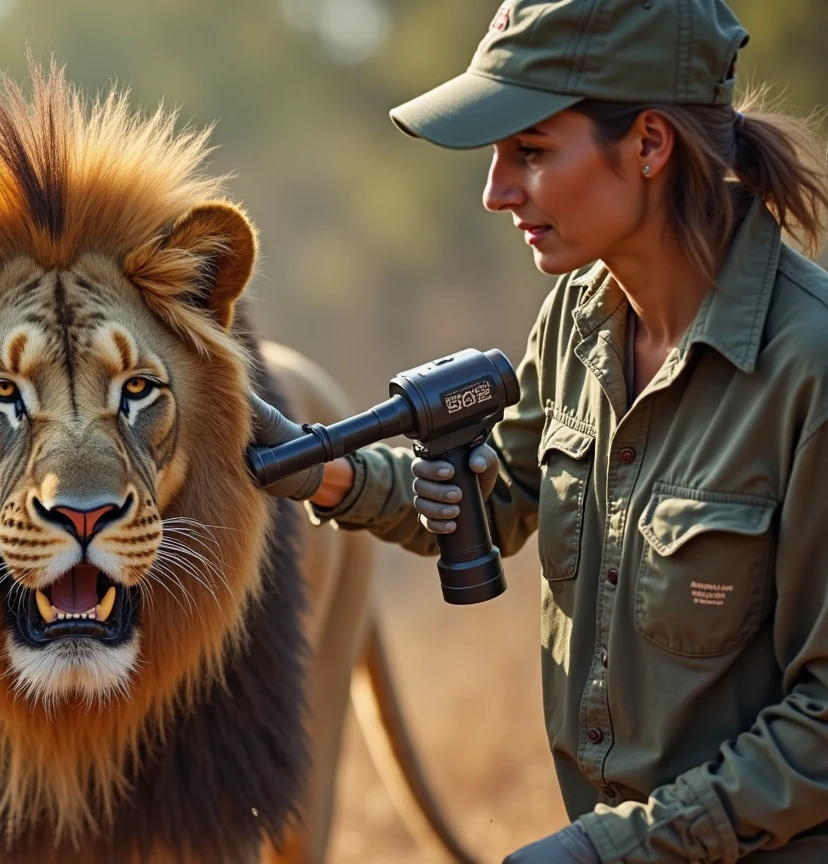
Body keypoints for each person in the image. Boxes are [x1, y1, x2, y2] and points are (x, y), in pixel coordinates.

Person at [250, 0, 828, 861]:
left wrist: (609, 850)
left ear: (649, 146)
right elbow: (503, 501)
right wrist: (316, 468)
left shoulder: (808, 367)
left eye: (531, 151)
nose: (495, 191)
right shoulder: (578, 319)